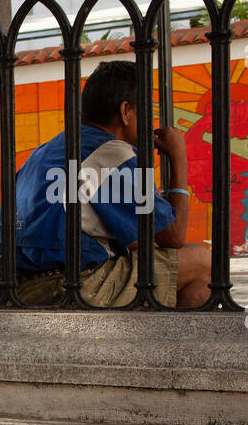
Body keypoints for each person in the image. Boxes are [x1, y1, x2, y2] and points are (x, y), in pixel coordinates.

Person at [12, 60, 211, 307]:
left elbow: (140, 239)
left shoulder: (49, 148)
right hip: (68, 285)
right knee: (203, 261)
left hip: (16, 287)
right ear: (126, 111)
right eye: (147, 111)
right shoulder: (113, 153)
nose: (151, 122)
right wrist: (179, 157)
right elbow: (173, 237)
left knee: (196, 283)